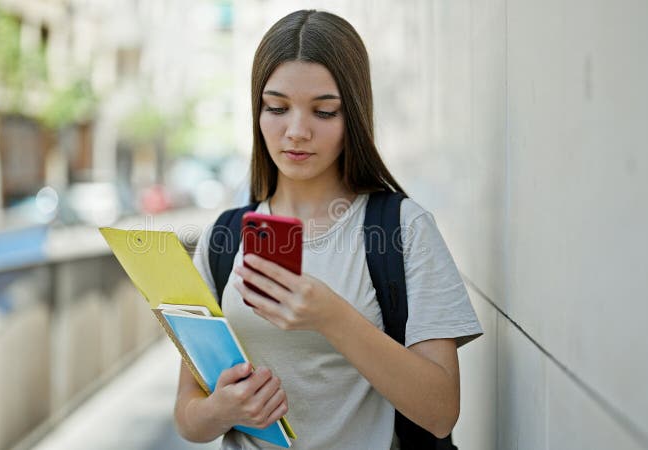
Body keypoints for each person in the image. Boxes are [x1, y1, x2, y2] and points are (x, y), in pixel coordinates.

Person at [174, 9, 483, 450]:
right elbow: (187, 417)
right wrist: (223, 410)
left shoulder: (402, 229)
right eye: (277, 108)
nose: (296, 132)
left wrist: (331, 316)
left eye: (323, 112)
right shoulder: (224, 239)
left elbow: (439, 412)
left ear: (352, 116)